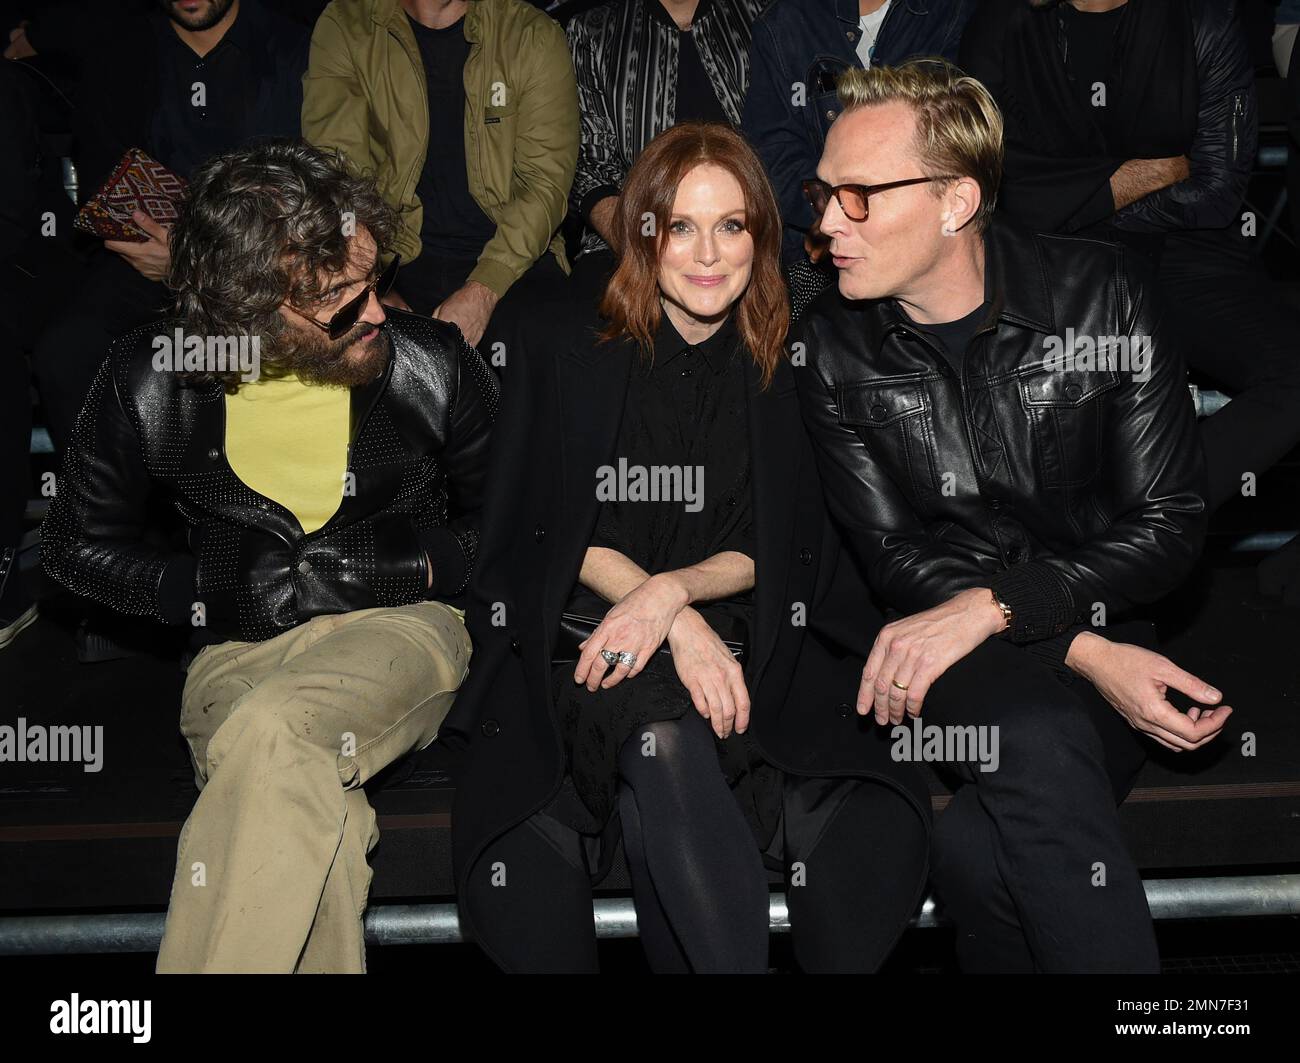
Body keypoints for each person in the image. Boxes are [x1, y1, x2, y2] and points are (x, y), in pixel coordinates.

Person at [444, 122, 931, 973]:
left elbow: (791, 540)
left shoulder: (796, 347)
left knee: (845, 821)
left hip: (760, 633)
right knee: (660, 736)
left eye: (732, 226)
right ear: (644, 234)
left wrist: (677, 594)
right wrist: (661, 611)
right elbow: (538, 526)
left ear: (762, 237)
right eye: (682, 228)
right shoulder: (562, 334)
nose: (709, 254)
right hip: (592, 640)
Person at [793, 60, 1232, 972]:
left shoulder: (1105, 295)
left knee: (978, 858)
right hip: (940, 643)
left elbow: (1170, 522)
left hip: (1096, 607)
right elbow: (895, 557)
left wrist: (1009, 607)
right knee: (1034, 730)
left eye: (860, 196)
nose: (827, 222)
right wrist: (1075, 649)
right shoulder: (829, 345)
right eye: (824, 192)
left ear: (955, 203)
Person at [41, 139, 498, 973]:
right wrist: (199, 587)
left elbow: (521, 532)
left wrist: (425, 560)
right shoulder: (159, 374)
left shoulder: (429, 362)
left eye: (371, 279)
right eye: (334, 302)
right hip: (236, 654)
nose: (373, 313)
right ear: (244, 311)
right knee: (300, 787)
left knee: (276, 732)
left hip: (402, 631)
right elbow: (72, 550)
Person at [959, 0, 1300, 533]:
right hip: (1047, 256)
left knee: (1291, 376)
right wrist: (1130, 180)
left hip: (1185, 251)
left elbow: (1214, 192)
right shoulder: (1002, 22)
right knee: (1017, 396)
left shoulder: (1201, 21)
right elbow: (993, 181)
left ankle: (1146, 522)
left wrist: (1071, 195)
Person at [28, 0, 309, 451]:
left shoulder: (294, 49)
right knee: (67, 352)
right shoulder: (123, 51)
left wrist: (196, 261)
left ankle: (245, 508)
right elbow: (105, 176)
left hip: (262, 265)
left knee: (257, 358)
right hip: (148, 261)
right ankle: (106, 513)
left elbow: (307, 194)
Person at [303, 0, 577, 367]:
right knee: (350, 343)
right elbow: (338, 178)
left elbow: (546, 186)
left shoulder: (530, 34)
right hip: (392, 254)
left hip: (513, 253)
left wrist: (484, 290)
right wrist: (372, 282)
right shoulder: (348, 25)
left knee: (547, 345)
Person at [742, 0, 974, 291]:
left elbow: (975, 141)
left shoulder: (955, 10)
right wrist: (834, 212)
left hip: (933, 241)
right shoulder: (784, 23)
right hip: (823, 264)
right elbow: (772, 155)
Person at [566, 0, 766, 306]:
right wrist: (643, 249)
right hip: (626, 241)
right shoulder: (592, 31)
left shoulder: (762, 14)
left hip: (754, 239)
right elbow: (590, 168)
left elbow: (789, 145)